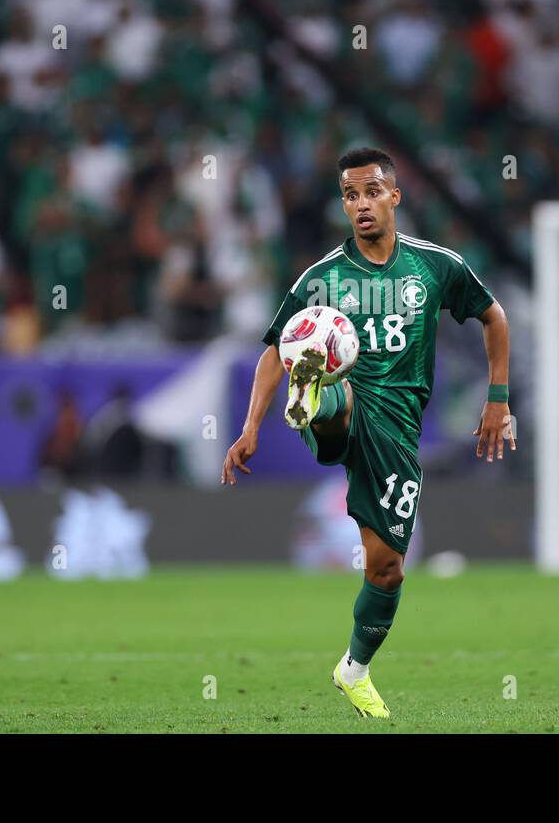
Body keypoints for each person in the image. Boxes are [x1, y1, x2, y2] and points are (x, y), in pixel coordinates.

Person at [221, 147, 516, 717]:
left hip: (400, 434)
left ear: (394, 196)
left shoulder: (434, 267)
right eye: (350, 195)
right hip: (347, 406)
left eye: (371, 191)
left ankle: (353, 670)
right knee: (331, 382)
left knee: (387, 568)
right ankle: (315, 393)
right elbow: (271, 353)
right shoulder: (323, 277)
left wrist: (497, 399)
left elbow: (493, 316)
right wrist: (249, 426)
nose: (360, 204)